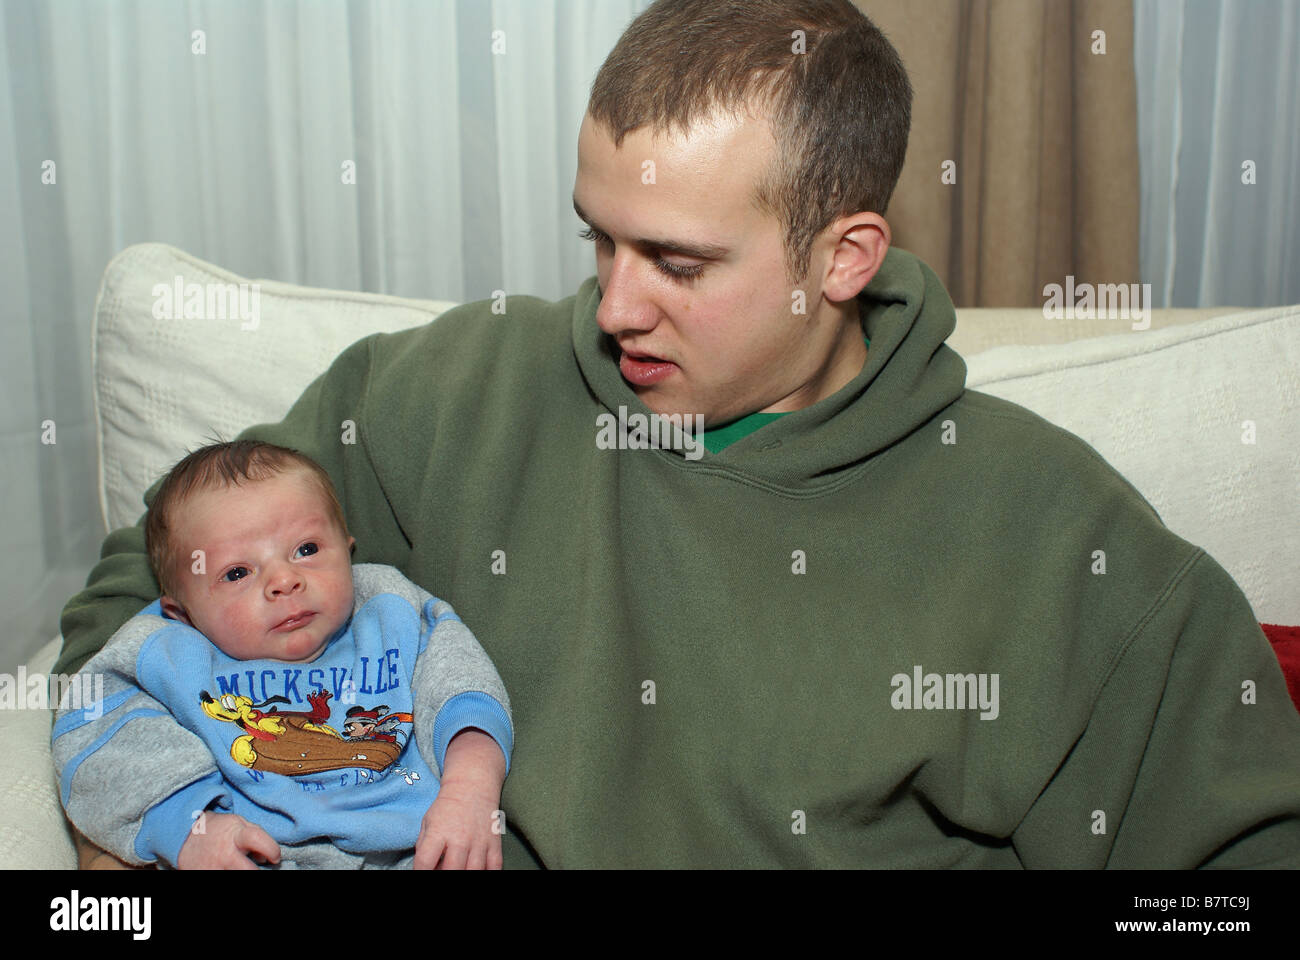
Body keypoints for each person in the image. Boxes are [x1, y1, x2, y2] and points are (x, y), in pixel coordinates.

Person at [58, 0, 1300, 868]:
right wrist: (138, 816)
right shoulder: (453, 395)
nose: (610, 307)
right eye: (598, 239)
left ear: (843, 257)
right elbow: (144, 584)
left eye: (677, 262)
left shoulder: (1048, 532)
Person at [53, 441, 512, 869]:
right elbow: (97, 736)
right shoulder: (168, 653)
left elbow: (465, 692)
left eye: (306, 549)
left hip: (412, 849)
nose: (284, 579)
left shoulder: (389, 610)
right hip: (257, 852)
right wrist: (191, 826)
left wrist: (468, 793)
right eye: (236, 573)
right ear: (183, 613)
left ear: (348, 552)